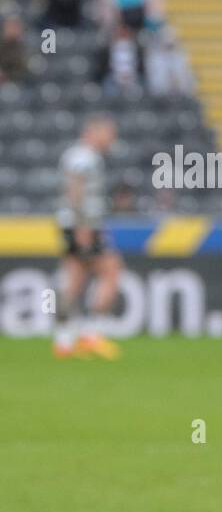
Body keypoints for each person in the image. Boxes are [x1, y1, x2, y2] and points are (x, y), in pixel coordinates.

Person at [53, 117, 123, 360]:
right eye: (108, 133)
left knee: (74, 278)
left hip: (73, 223)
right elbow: (76, 190)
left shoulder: (76, 154)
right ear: (93, 132)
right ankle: (91, 335)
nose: (111, 140)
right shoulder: (85, 156)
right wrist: (83, 226)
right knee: (111, 270)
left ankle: (63, 341)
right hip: (83, 225)